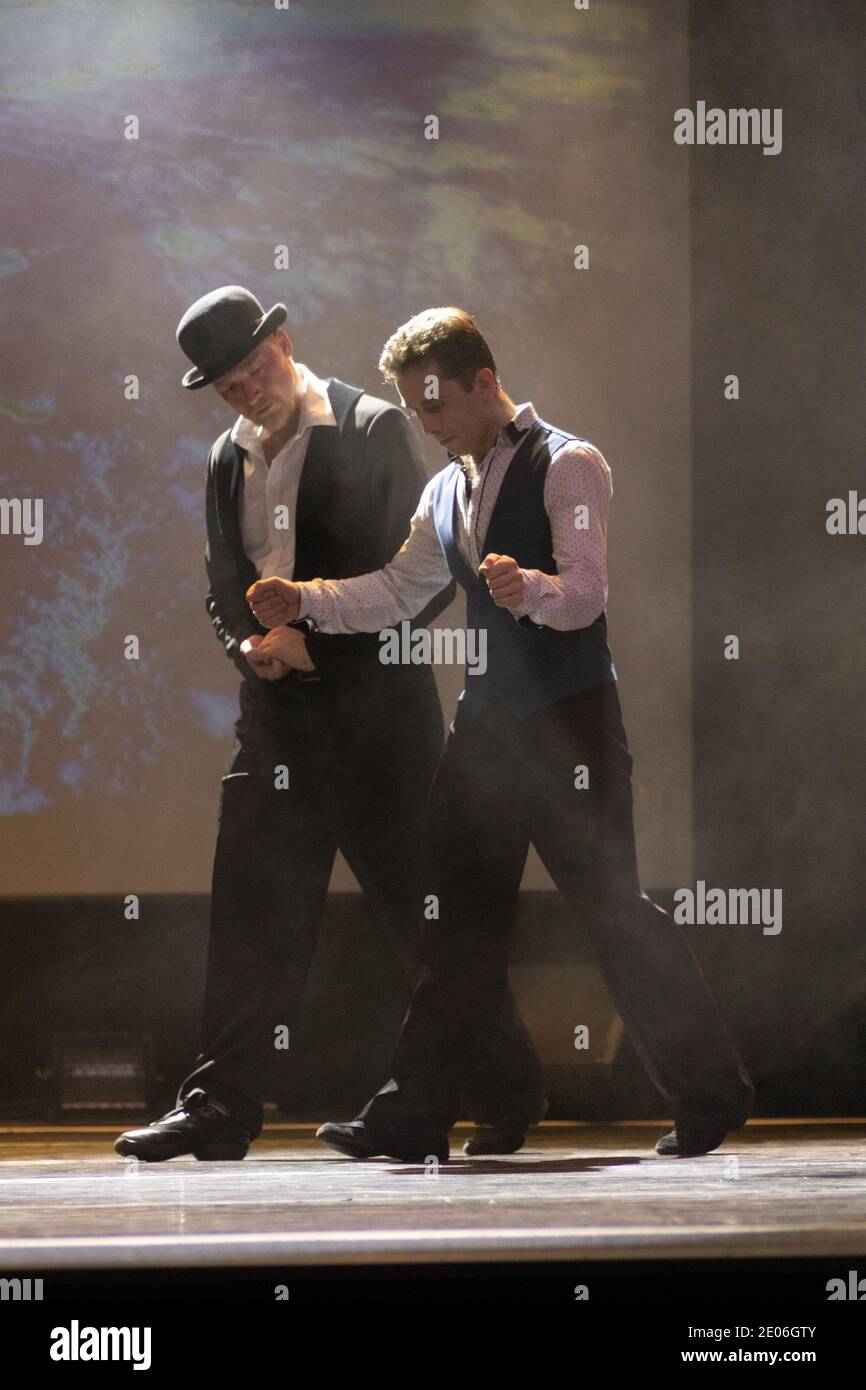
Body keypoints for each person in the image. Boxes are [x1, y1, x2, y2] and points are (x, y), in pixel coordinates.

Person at [247, 305, 756, 1164]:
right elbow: (400, 591)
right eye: (414, 407)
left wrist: (533, 592)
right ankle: (413, 1114)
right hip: (484, 730)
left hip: (570, 725)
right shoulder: (445, 488)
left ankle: (711, 1092)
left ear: (485, 382)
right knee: (456, 928)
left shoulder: (571, 464)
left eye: (436, 403)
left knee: (610, 912)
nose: (427, 422)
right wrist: (306, 600)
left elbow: (588, 593)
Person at [114, 287, 547, 1164]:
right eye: (228, 386)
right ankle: (219, 1107)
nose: (246, 393)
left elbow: (417, 585)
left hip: (380, 722)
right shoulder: (223, 460)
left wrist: (323, 653)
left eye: (254, 370)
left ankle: (507, 1088)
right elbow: (220, 585)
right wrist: (251, 650)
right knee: (253, 909)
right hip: (275, 721)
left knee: (420, 917)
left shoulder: (374, 426)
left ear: (283, 341)